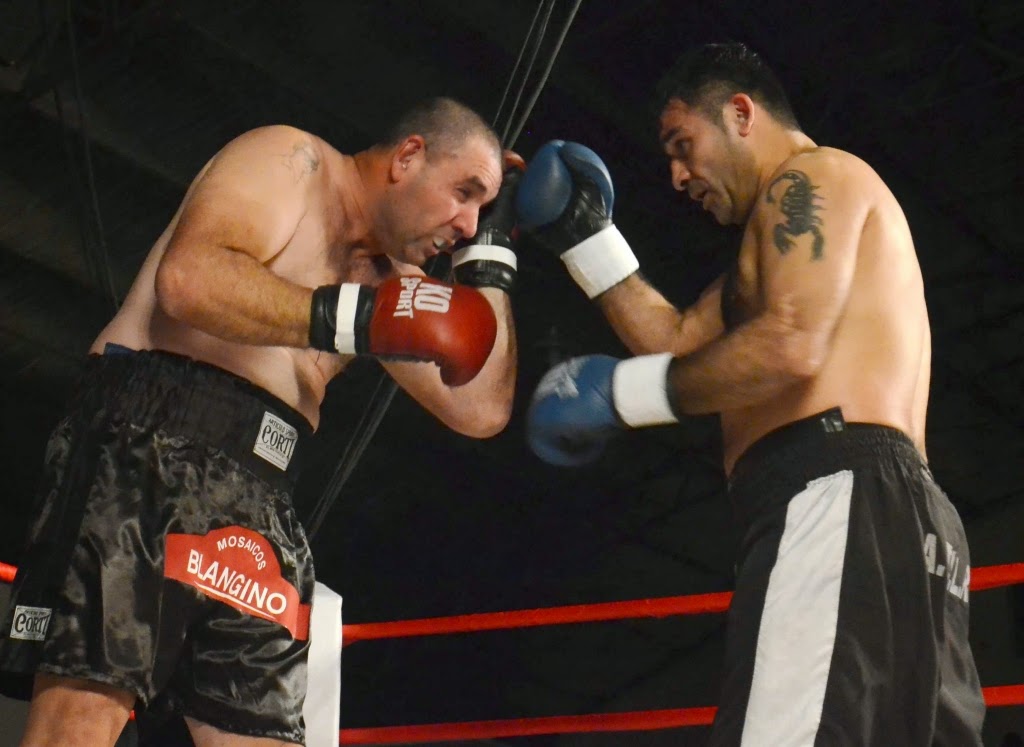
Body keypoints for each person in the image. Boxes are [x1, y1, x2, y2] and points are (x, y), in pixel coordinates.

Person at [0, 96, 520, 746]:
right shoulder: (292, 161)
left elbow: (481, 407)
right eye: (464, 192)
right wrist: (355, 318)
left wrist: (491, 255)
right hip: (150, 438)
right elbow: (190, 279)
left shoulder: (396, 282)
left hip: (265, 494)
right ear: (409, 155)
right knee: (81, 716)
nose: (467, 221)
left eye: (483, 207)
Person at [519, 43, 986, 745]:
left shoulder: (813, 179)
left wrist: (619, 394)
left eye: (684, 145)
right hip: (899, 523)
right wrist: (585, 236)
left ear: (741, 113)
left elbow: (791, 343)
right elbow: (680, 342)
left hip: (836, 494)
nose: (677, 177)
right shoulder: (773, 250)